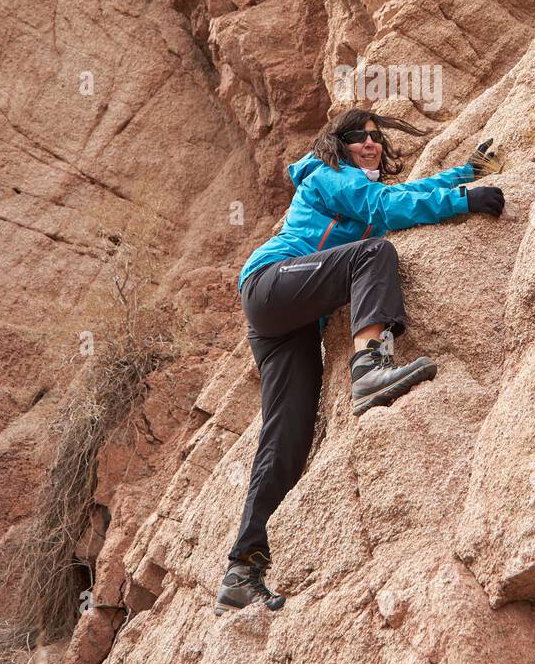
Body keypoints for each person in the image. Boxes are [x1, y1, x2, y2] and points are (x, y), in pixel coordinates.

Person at [214, 108, 505, 615]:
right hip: (269, 283)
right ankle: (369, 366)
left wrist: (463, 175)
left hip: (291, 323)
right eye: (358, 137)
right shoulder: (327, 175)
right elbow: (386, 206)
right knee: (374, 253)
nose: (370, 143)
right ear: (338, 143)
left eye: (376, 137)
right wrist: (463, 201)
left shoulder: (361, 192)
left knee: (288, 436)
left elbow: (398, 196)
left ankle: (242, 569)